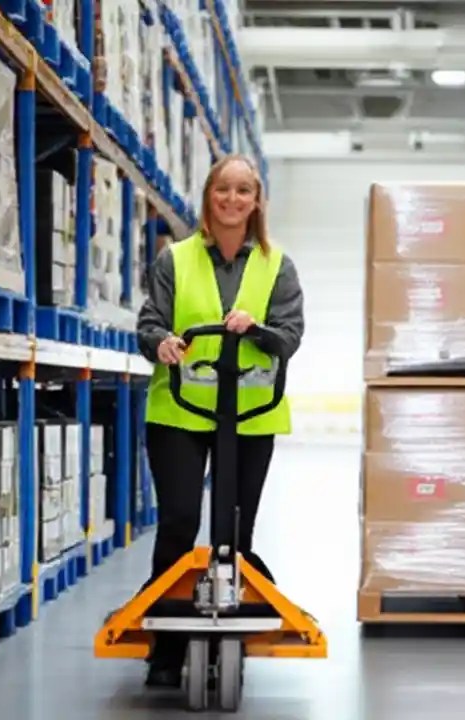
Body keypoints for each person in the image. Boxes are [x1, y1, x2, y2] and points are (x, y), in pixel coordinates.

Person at [135, 153, 304, 688]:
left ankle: (226, 636)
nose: (232, 200)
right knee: (180, 522)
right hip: (179, 411)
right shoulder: (175, 259)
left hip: (250, 416)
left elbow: (291, 336)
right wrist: (158, 342)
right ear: (208, 196)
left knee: (234, 532)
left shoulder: (278, 265)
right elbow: (150, 322)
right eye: (222, 190)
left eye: (243, 192)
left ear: (257, 202)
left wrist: (257, 328)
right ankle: (165, 649)